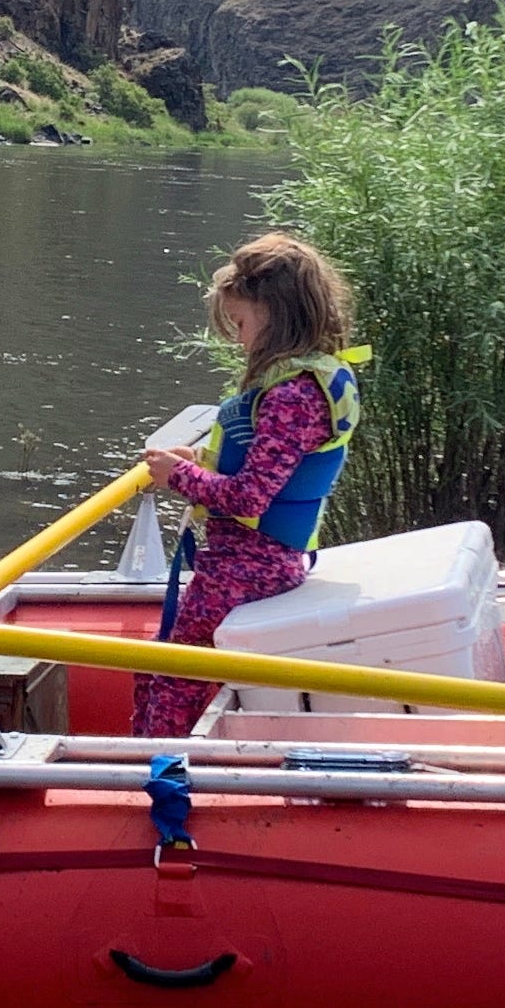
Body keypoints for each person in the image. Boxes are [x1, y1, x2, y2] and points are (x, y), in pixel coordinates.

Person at [131, 233, 369, 736]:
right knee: (156, 665)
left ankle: (155, 769)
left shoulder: (294, 395)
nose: (238, 339)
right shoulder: (304, 383)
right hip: (253, 560)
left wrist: (179, 477)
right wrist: (197, 459)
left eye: (240, 323)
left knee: (174, 675)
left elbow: (249, 498)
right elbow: (260, 461)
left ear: (273, 314)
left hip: (252, 564)